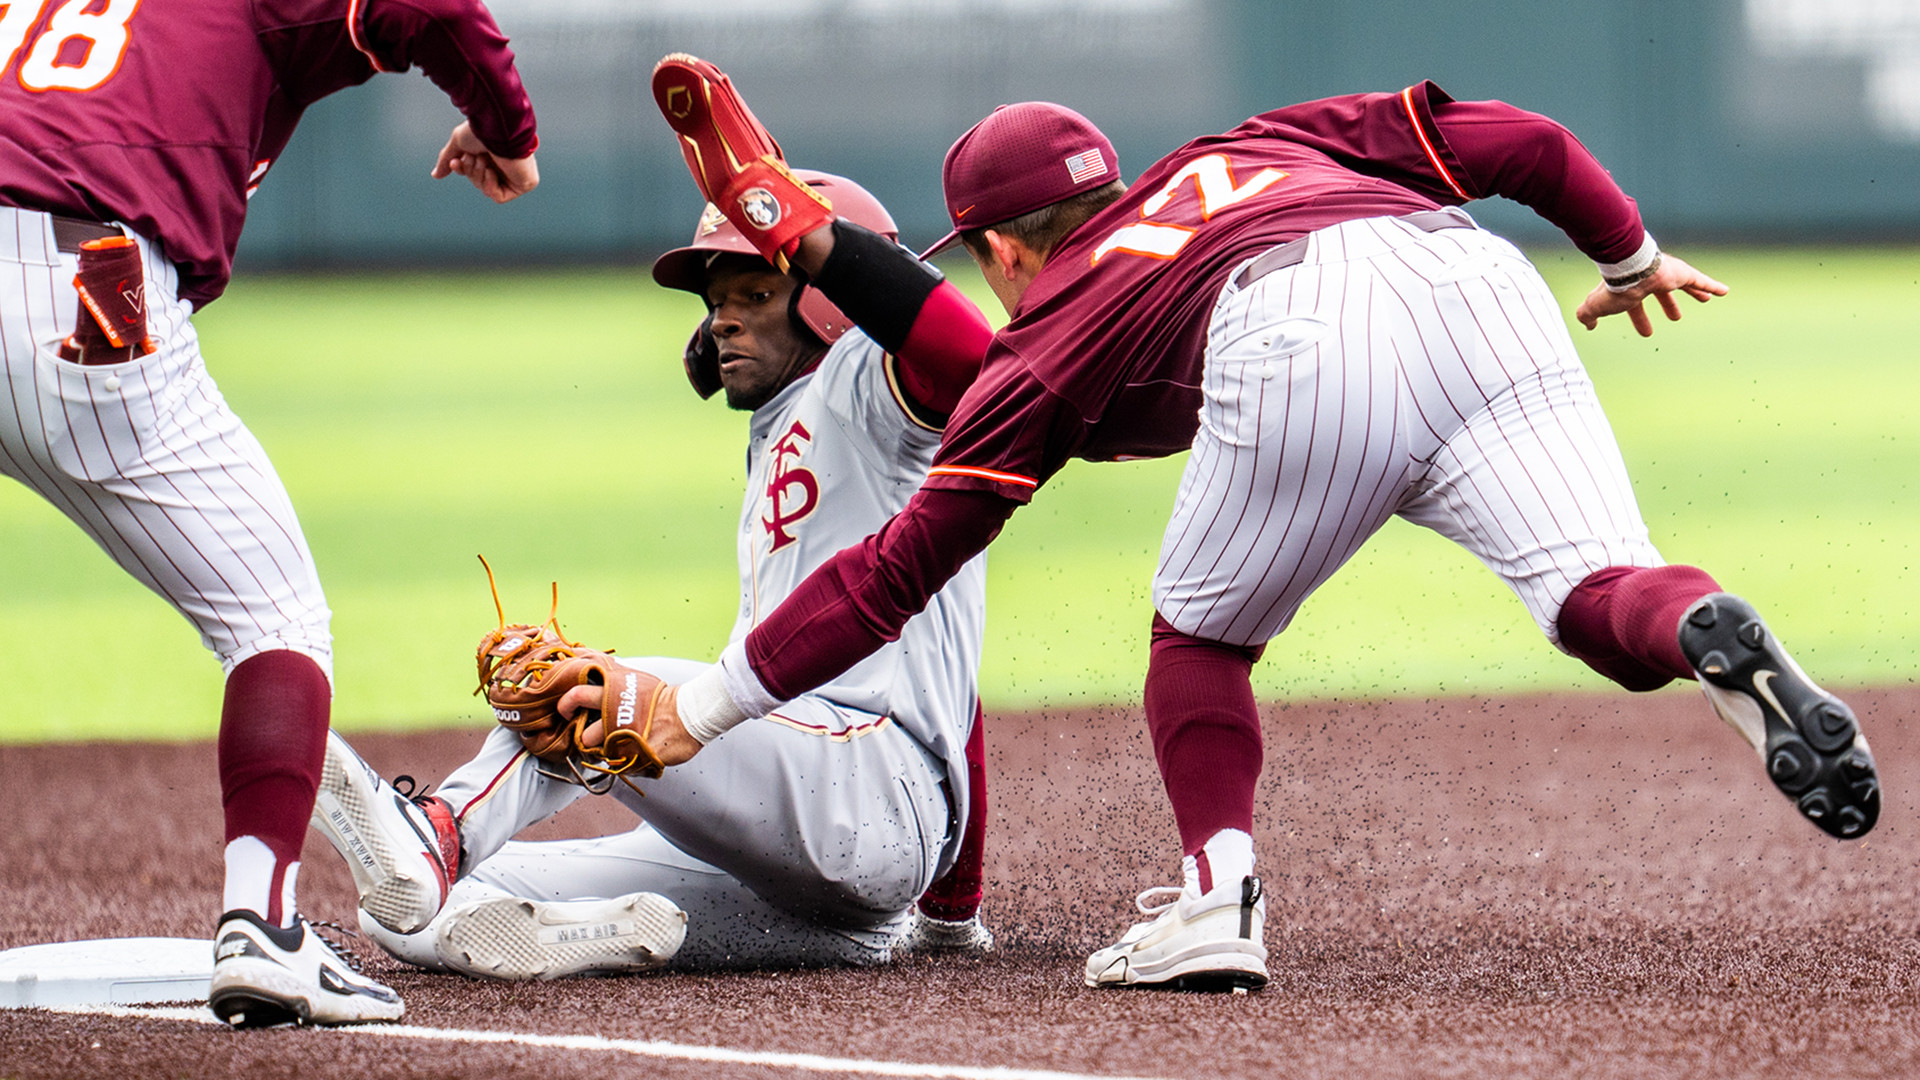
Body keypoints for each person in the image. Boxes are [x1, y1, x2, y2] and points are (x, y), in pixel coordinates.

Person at [635, 56, 1883, 992]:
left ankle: (1217, 902)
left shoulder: (1055, 326)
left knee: (1203, 642)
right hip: (1468, 279)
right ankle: (1705, 624)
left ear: (1008, 246)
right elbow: (1526, 142)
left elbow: (894, 573)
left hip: (1293, 330)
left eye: (985, 256)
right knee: (1603, 600)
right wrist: (1627, 259)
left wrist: (703, 708)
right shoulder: (1253, 144)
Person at [309, 171, 998, 977]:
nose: (723, 319)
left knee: (584, 692)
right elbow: (963, 700)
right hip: (824, 868)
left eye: (754, 291)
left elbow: (964, 354)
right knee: (408, 906)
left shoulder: (868, 389)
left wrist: (815, 237)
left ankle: (439, 824)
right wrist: (954, 915)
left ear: (830, 301)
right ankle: (574, 930)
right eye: (714, 301)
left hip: (869, 791)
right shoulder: (787, 423)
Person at [0, 0, 539, 1026]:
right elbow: (433, 9)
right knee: (274, 624)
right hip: (84, 281)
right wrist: (509, 133)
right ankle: (263, 927)